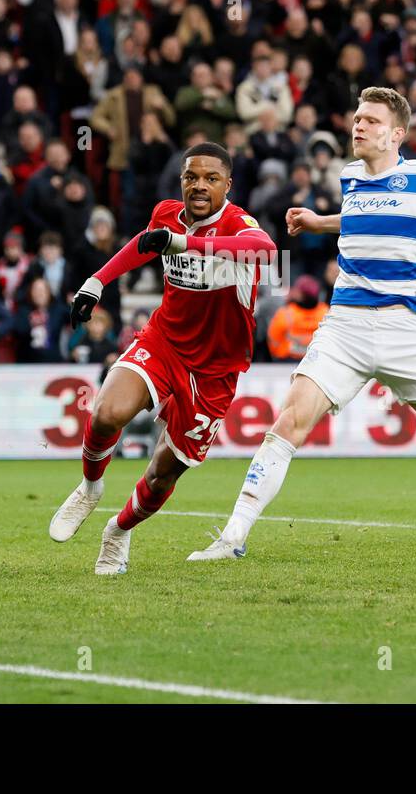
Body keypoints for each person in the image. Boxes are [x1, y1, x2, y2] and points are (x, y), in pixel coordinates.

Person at [190, 87, 416, 563]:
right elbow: (364, 217)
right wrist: (320, 223)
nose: (359, 126)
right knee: (286, 425)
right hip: (345, 328)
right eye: (357, 118)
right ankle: (232, 538)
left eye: (371, 121)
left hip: (406, 332)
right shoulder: (351, 175)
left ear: (398, 134)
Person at [49, 142, 277, 574]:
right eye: (192, 176)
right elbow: (144, 243)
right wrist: (97, 281)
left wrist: (183, 242)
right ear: (181, 181)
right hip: (165, 341)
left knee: (161, 475)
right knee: (105, 412)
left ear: (228, 184)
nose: (200, 185)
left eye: (211, 178)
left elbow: (264, 249)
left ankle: (117, 531)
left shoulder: (238, 223)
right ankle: (89, 488)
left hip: (215, 370)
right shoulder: (166, 214)